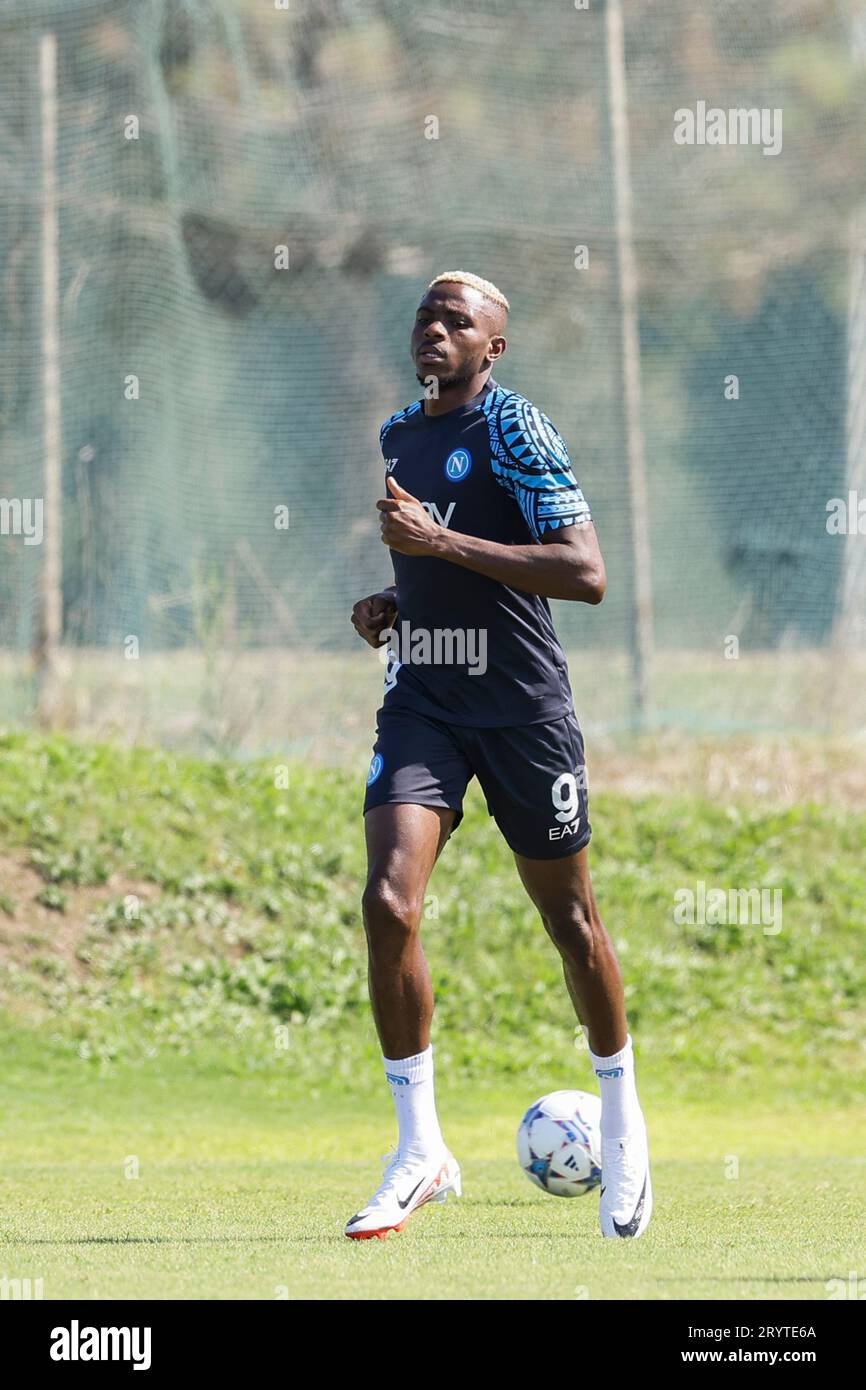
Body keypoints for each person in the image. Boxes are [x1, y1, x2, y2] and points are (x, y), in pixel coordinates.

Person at [345, 271, 651, 1240]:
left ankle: (624, 1125)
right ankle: (420, 1149)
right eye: (425, 317)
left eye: (457, 321)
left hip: (521, 711)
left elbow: (585, 572)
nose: (435, 330)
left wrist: (438, 544)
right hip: (425, 697)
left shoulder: (517, 430)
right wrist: (391, 600)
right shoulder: (398, 433)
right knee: (387, 901)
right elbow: (432, 562)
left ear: (492, 348)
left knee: (571, 920)